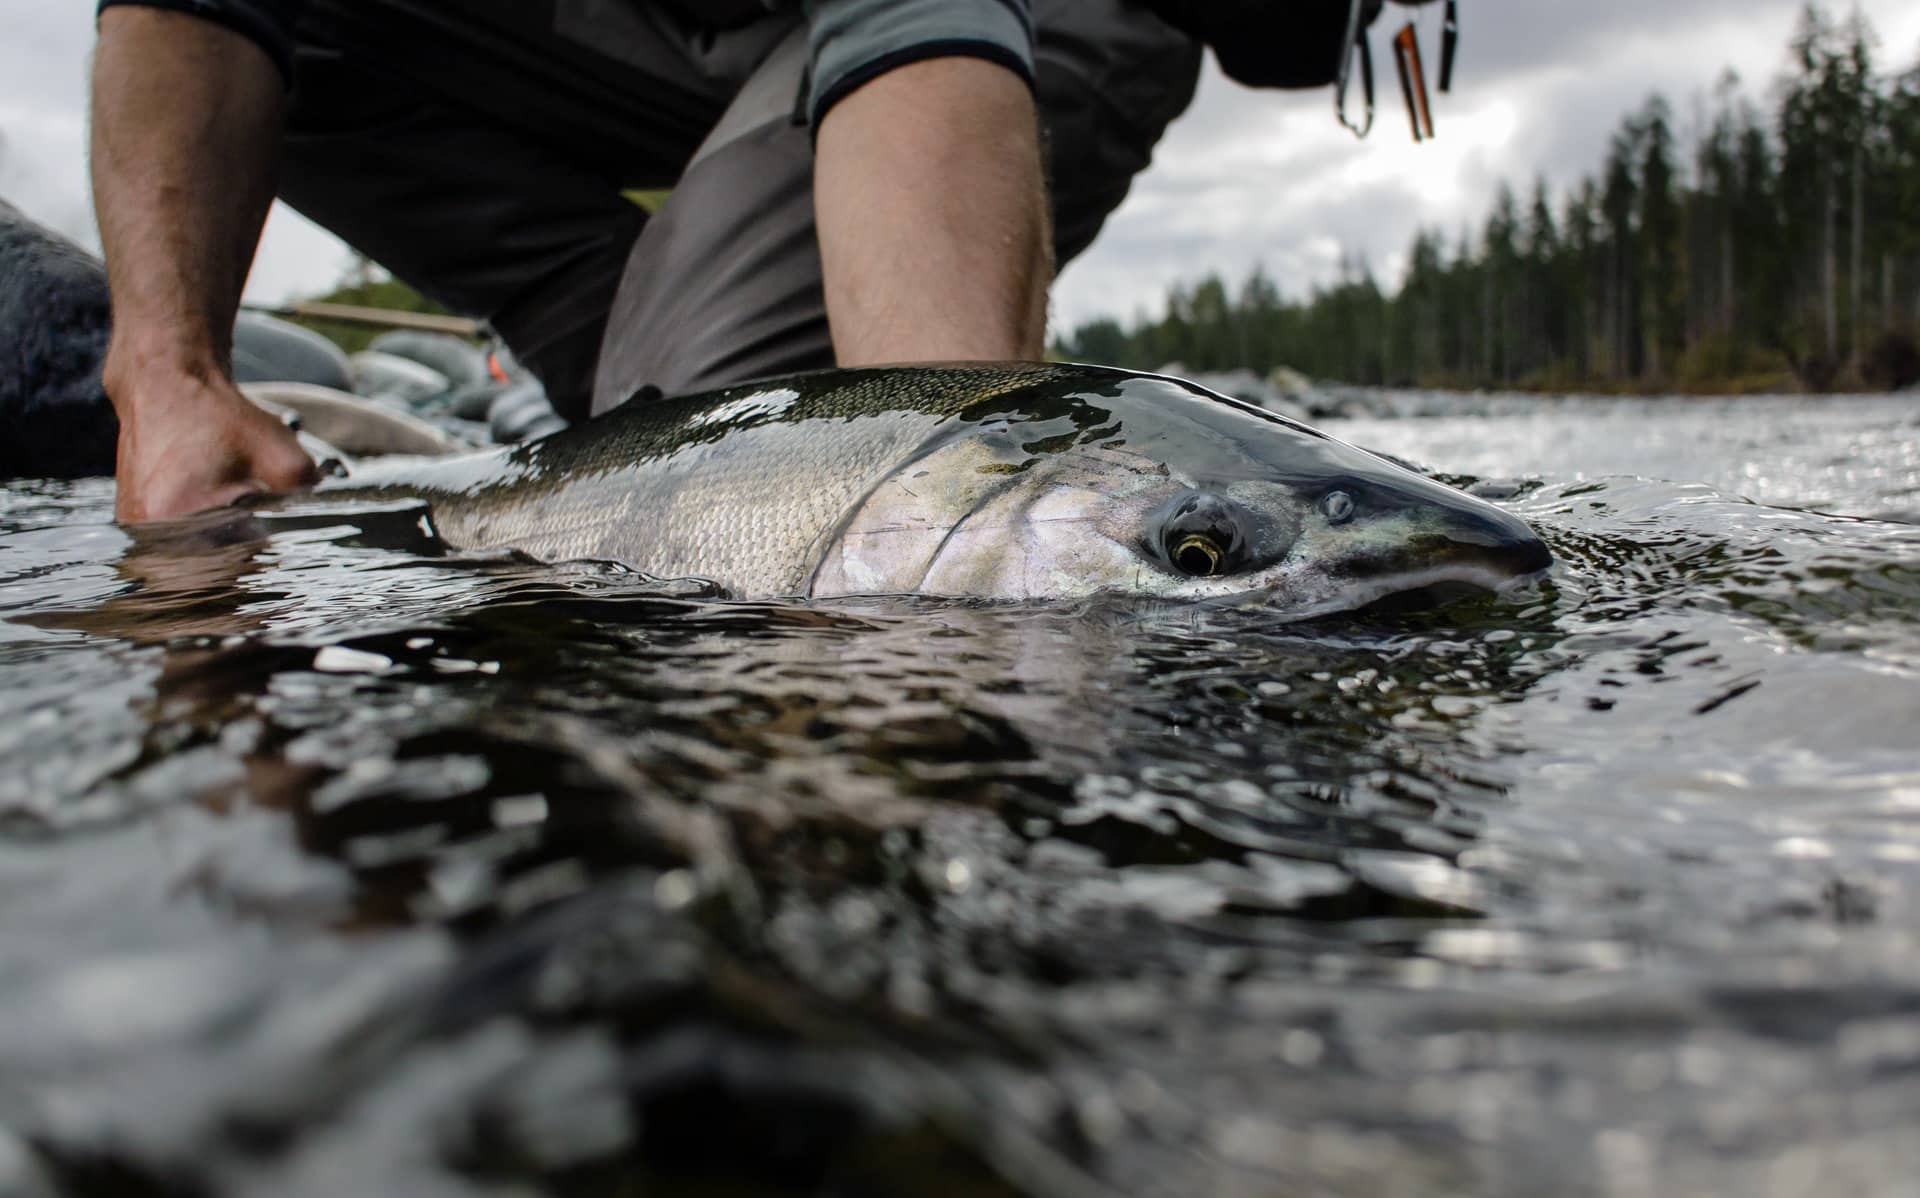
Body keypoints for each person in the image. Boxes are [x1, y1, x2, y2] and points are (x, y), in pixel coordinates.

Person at [90, 1, 1204, 522]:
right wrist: (168, 376)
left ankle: (693, 372)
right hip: (603, 48)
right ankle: (618, 372)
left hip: (996, 23)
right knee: (625, 459)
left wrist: (940, 479)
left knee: (739, 500)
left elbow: (915, 29)